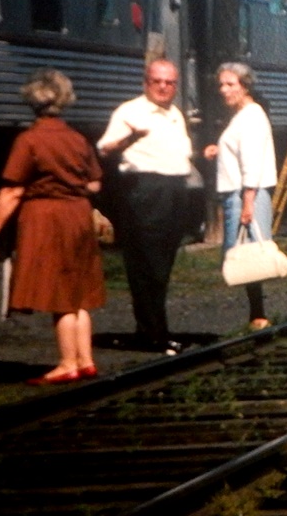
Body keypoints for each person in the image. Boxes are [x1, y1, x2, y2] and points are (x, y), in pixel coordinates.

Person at [0, 69, 105, 385]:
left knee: (58, 290)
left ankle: (67, 363)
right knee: (79, 293)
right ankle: (86, 360)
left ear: (32, 102)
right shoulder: (78, 138)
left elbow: (12, 191)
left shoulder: (29, 140)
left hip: (47, 218)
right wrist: (73, 188)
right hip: (79, 215)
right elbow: (95, 183)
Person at [96, 59, 192, 354]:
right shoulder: (130, 111)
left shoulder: (175, 113)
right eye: (157, 81)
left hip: (174, 191)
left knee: (162, 264)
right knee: (147, 264)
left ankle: (154, 330)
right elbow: (104, 148)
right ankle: (154, 334)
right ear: (145, 83)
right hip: (144, 192)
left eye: (170, 82)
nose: (164, 87)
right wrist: (131, 136)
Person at [203, 62, 277, 330]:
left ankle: (259, 316)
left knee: (247, 257)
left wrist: (247, 204)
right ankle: (257, 314)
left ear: (244, 86)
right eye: (221, 84)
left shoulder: (250, 117)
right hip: (242, 194)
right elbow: (241, 151)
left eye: (230, 84)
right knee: (244, 256)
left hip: (246, 195)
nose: (224, 90)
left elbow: (252, 163)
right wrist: (219, 150)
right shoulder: (242, 115)